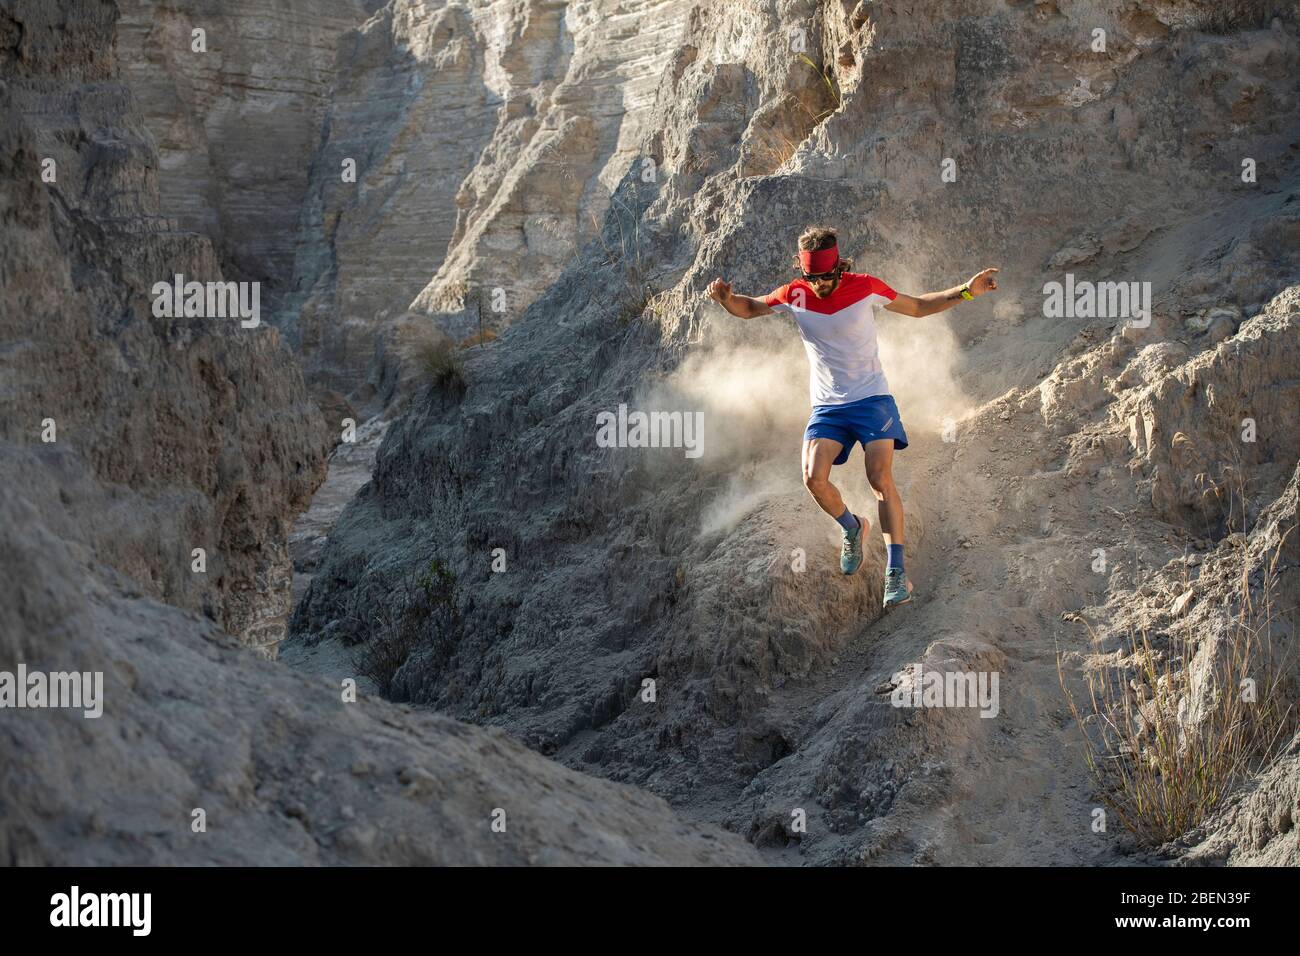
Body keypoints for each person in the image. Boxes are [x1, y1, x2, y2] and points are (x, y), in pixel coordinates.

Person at [706, 225, 998, 608]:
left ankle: (896, 574)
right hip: (828, 408)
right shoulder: (794, 293)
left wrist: (965, 290)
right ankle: (853, 526)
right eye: (814, 278)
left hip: (872, 399)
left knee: (879, 476)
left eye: (827, 276)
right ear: (801, 270)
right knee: (813, 478)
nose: (821, 284)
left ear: (840, 268)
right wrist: (728, 300)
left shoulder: (864, 286)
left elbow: (918, 307)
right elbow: (750, 308)